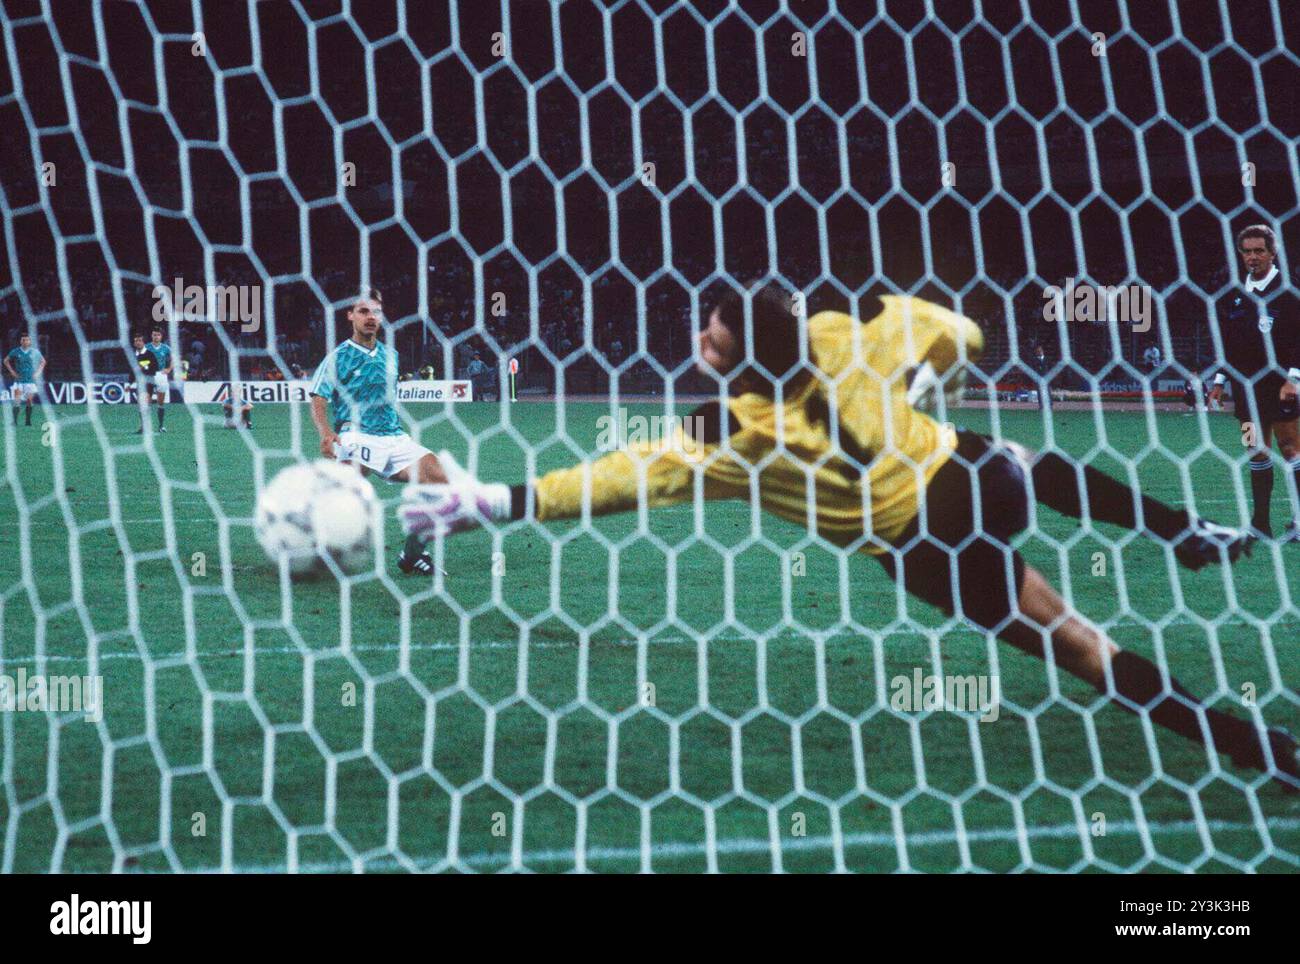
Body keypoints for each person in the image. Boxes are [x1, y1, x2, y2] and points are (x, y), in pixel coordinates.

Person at [401, 282, 1297, 789]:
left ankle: (1254, 749)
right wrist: (929, 369)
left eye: (709, 337)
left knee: (1076, 644)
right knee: (1030, 463)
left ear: (731, 360)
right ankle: (1182, 530)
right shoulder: (839, 333)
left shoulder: (728, 434)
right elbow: (955, 329)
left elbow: (612, 480)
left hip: (921, 552)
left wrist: (491, 499)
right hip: (972, 479)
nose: (701, 341)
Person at [308, 289, 450, 575]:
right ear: (350, 316)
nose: (370, 318)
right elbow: (318, 397)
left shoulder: (391, 355)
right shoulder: (339, 357)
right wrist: (326, 432)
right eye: (363, 311)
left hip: (394, 437)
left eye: (375, 312)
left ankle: (412, 555)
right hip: (355, 435)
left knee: (440, 482)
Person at [1208, 225, 1300, 542]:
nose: (1252, 256)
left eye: (1259, 250)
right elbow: (1229, 344)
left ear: (1273, 253)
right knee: (1256, 451)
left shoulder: (1288, 291)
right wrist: (1220, 381)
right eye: (1247, 251)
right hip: (1246, 388)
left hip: (1280, 385)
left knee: (1290, 448)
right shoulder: (1236, 294)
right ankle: (1260, 524)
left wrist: (1294, 378)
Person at [4, 333, 45, 427]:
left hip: (30, 381)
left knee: (29, 401)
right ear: (20, 341)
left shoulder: (35, 352)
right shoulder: (15, 351)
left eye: (27, 340)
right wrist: (12, 372)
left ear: (30, 341)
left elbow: (43, 362)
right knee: (17, 400)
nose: (25, 341)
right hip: (19, 381)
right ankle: (14, 421)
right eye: (23, 340)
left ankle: (27, 421)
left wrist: (38, 373)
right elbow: (6, 361)